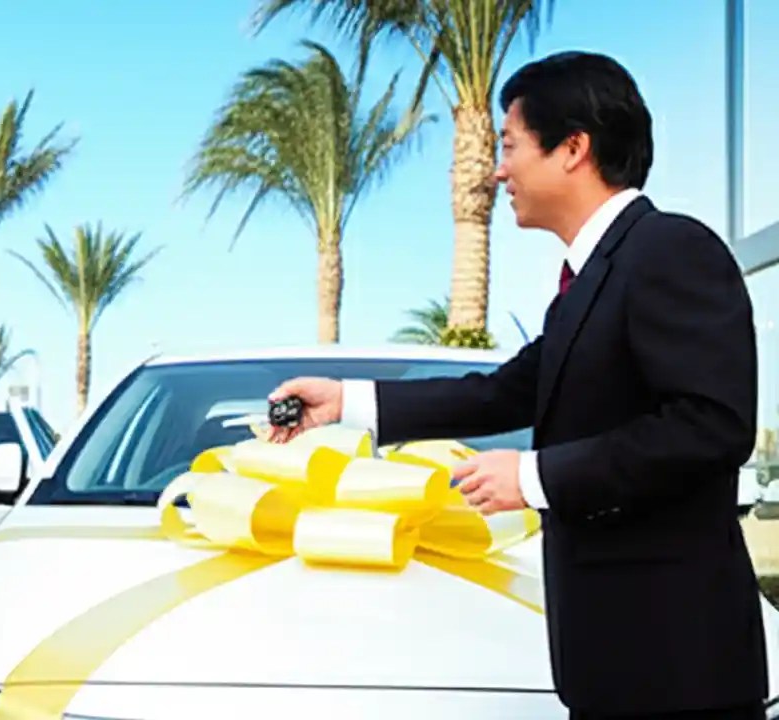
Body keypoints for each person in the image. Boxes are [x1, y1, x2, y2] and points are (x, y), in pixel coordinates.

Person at [269, 51, 765, 719]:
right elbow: (504, 392)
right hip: (613, 669)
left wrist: (535, 479)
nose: (498, 169)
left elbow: (710, 424)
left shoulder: (671, 249)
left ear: (573, 148)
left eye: (509, 144)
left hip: (678, 672)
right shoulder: (585, 287)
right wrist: (347, 401)